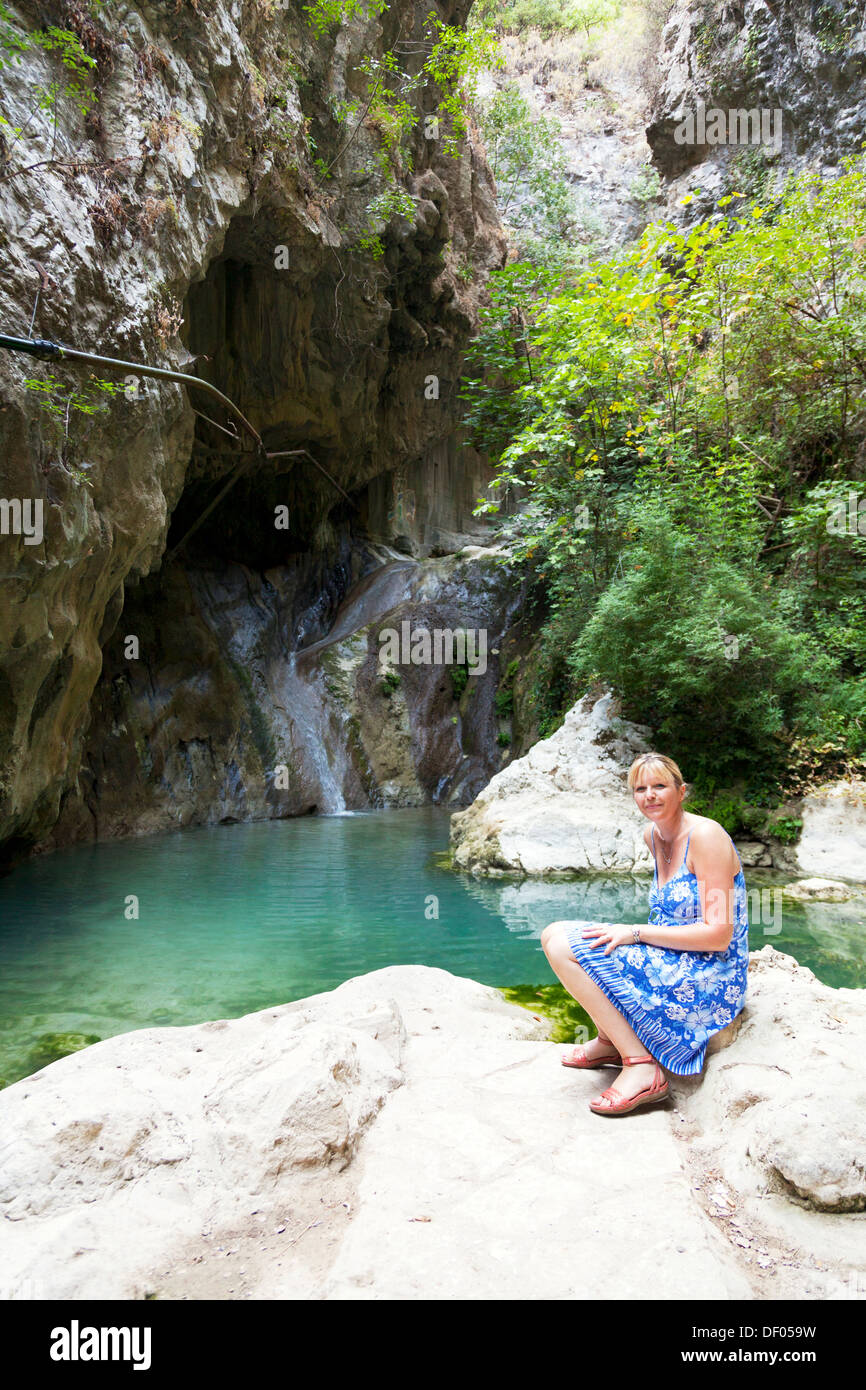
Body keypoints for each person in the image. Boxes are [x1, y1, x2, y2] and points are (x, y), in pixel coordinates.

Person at [540, 752, 749, 1116]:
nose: (649, 795)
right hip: (674, 955)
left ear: (681, 791)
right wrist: (636, 936)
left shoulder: (707, 837)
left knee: (566, 948)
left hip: (709, 973)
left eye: (659, 786)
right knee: (552, 932)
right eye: (640, 789)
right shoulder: (652, 835)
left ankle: (641, 1067)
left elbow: (718, 936)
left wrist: (635, 933)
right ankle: (610, 1039)